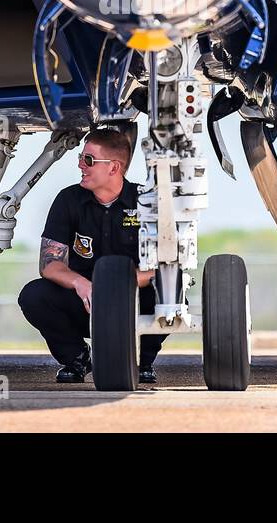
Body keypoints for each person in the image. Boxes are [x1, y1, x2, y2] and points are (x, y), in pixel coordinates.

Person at [18, 127, 166, 384]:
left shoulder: (147, 202)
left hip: (134, 300)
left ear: (113, 167)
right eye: (80, 158)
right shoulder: (68, 200)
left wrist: (118, 287)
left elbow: (165, 265)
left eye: (88, 160)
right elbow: (50, 264)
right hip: (84, 300)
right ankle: (76, 358)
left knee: (168, 290)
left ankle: (143, 361)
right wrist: (82, 284)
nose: (80, 166)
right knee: (34, 295)